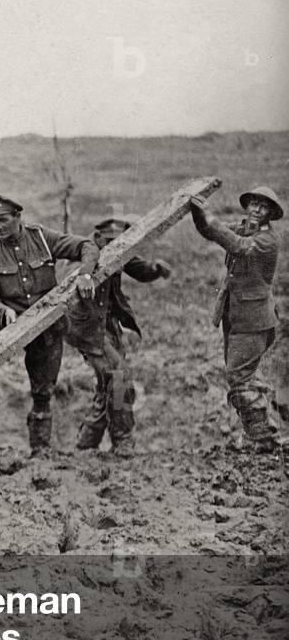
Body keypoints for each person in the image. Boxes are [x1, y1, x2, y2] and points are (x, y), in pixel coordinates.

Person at [0, 194, 99, 456]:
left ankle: (40, 449)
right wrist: (2, 310)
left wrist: (86, 274)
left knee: (43, 390)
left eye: (3, 220)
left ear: (18, 217)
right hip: (10, 323)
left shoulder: (42, 238)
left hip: (47, 326)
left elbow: (88, 246)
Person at [66, 219, 172, 456]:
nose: (113, 246)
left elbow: (136, 267)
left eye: (117, 241)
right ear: (97, 237)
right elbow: (68, 283)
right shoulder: (84, 254)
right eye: (108, 241)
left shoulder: (117, 249)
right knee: (119, 375)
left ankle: (87, 442)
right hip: (86, 328)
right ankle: (122, 439)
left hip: (107, 325)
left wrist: (154, 269)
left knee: (110, 383)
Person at [189, 186, 283, 452]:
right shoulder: (244, 229)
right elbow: (211, 231)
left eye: (262, 207)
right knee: (242, 376)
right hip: (236, 315)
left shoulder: (267, 242)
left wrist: (211, 217)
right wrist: (198, 213)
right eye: (253, 204)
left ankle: (263, 439)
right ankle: (262, 431)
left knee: (239, 378)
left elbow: (236, 245)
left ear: (269, 215)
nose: (256, 209)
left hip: (254, 321)